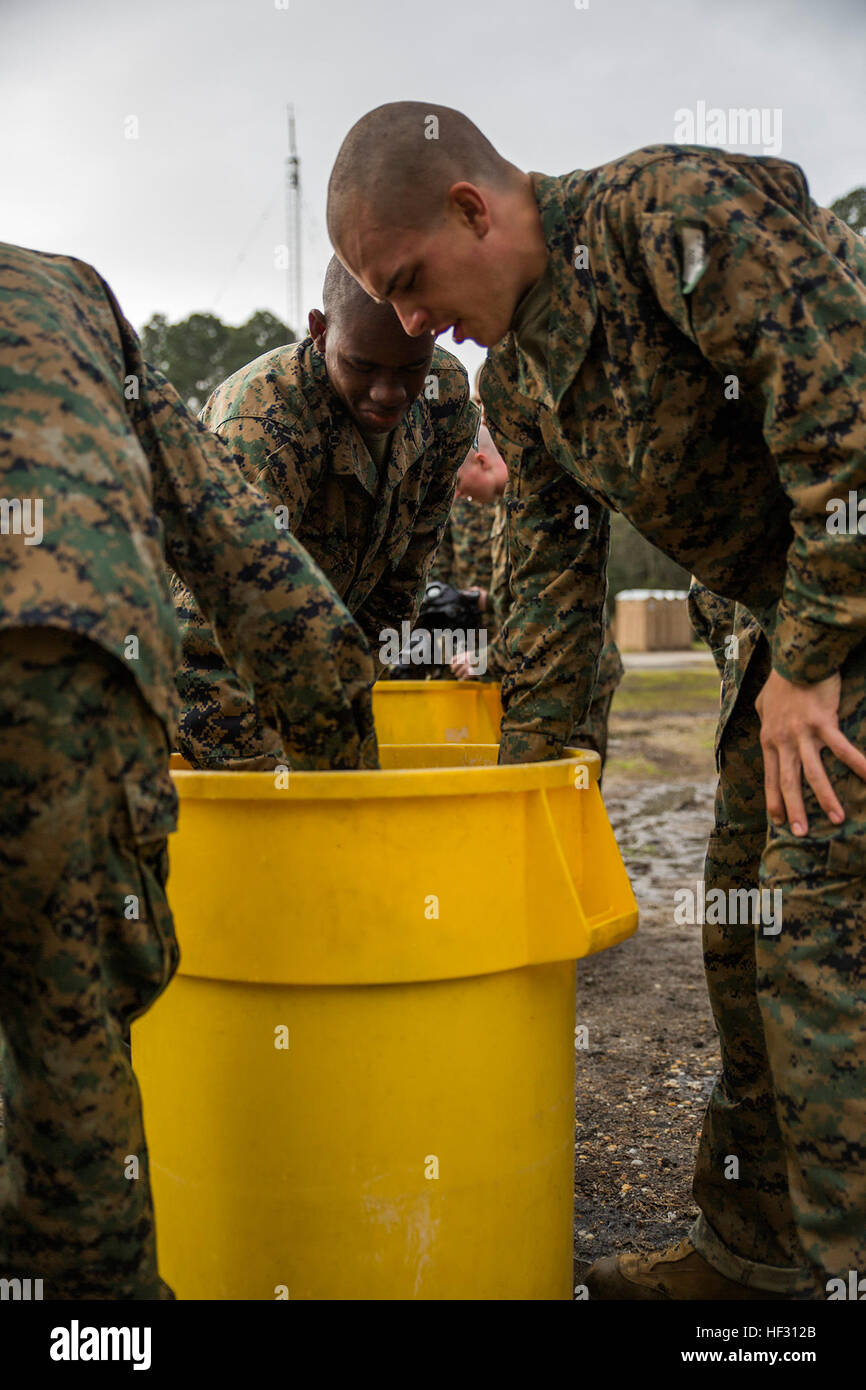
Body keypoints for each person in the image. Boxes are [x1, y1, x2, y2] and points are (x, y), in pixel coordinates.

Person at [326, 101, 866, 1299]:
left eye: (410, 281)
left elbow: (850, 432)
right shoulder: (516, 377)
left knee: (821, 953)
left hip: (836, 622)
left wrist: (812, 657)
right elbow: (552, 590)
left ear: (473, 207)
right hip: (784, 639)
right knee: (739, 939)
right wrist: (533, 787)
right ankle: (755, 1256)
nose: (412, 324)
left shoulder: (665, 217)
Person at [0, 240, 376, 1300]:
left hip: (60, 650)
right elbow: (242, 551)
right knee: (66, 1048)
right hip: (62, 654)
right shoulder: (61, 288)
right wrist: (351, 795)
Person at [174, 256, 478, 766]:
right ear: (319, 331)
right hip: (199, 677)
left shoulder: (443, 397)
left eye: (409, 368)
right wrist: (262, 781)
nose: (388, 393)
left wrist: (342, 715)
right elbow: (203, 636)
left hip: (322, 673)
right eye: (362, 366)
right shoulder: (263, 425)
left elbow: (402, 578)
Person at [451, 425, 623, 768]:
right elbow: (515, 597)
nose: (458, 497)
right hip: (537, 666)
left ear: (482, 463)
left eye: (458, 484)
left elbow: (545, 607)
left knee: (569, 794)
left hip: (570, 671)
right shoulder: (508, 504)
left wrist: (486, 659)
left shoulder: (543, 493)